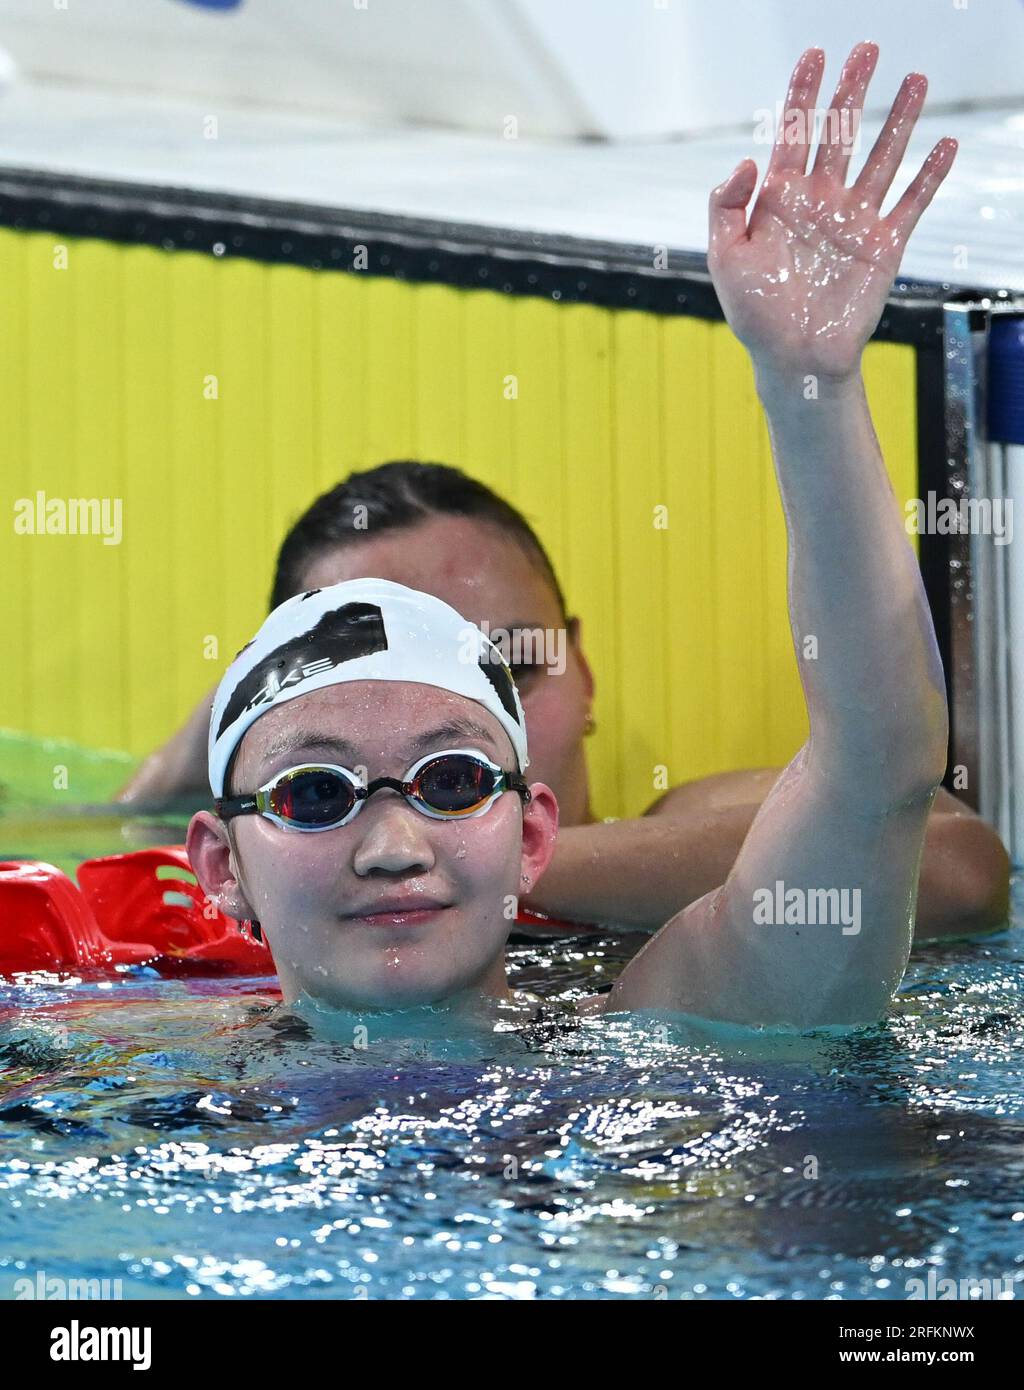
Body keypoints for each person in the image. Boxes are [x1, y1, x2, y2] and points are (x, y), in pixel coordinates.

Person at [162, 44, 1010, 965]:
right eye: (323, 782)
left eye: (511, 665)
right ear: (222, 854)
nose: (393, 833)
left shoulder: (677, 926)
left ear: (586, 671)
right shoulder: (230, 918)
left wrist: (471, 859)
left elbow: (930, 843)